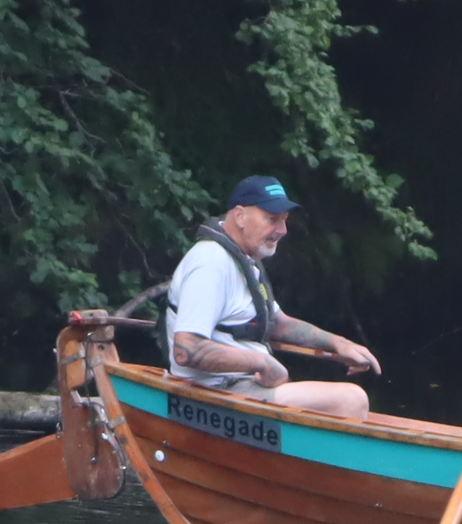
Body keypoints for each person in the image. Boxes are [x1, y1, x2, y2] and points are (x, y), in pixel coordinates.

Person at [162, 176, 379, 415]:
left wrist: (338, 343)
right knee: (351, 400)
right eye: (272, 219)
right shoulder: (210, 263)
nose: (283, 231)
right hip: (214, 394)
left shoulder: (245, 259)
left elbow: (278, 323)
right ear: (240, 216)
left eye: (284, 221)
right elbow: (186, 350)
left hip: (243, 387)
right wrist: (262, 363)